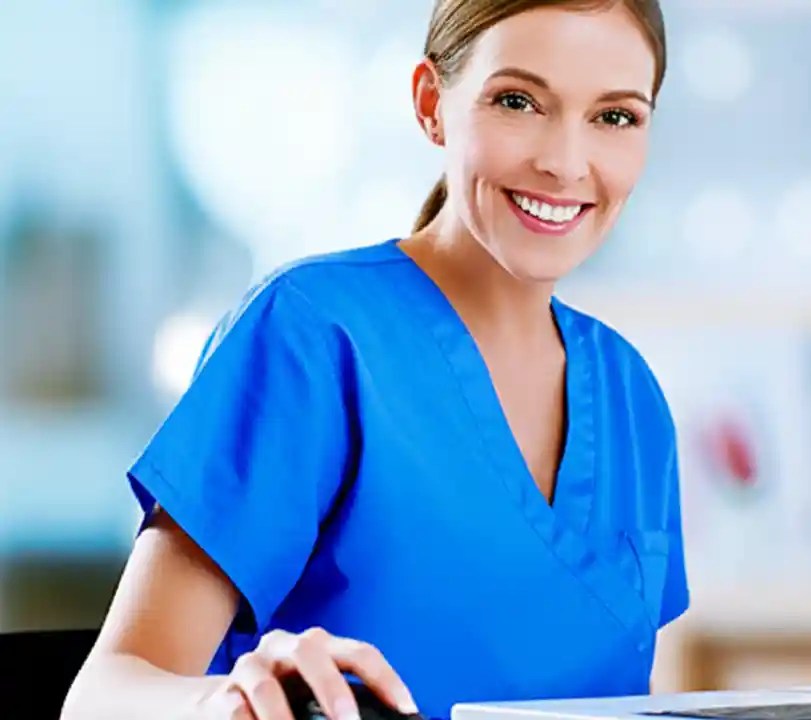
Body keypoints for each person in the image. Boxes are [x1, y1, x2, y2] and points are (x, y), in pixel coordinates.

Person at [61, 1, 686, 718]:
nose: (566, 163)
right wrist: (223, 703)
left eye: (615, 117)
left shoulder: (632, 397)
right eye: (518, 101)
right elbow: (102, 696)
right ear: (431, 105)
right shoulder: (311, 335)